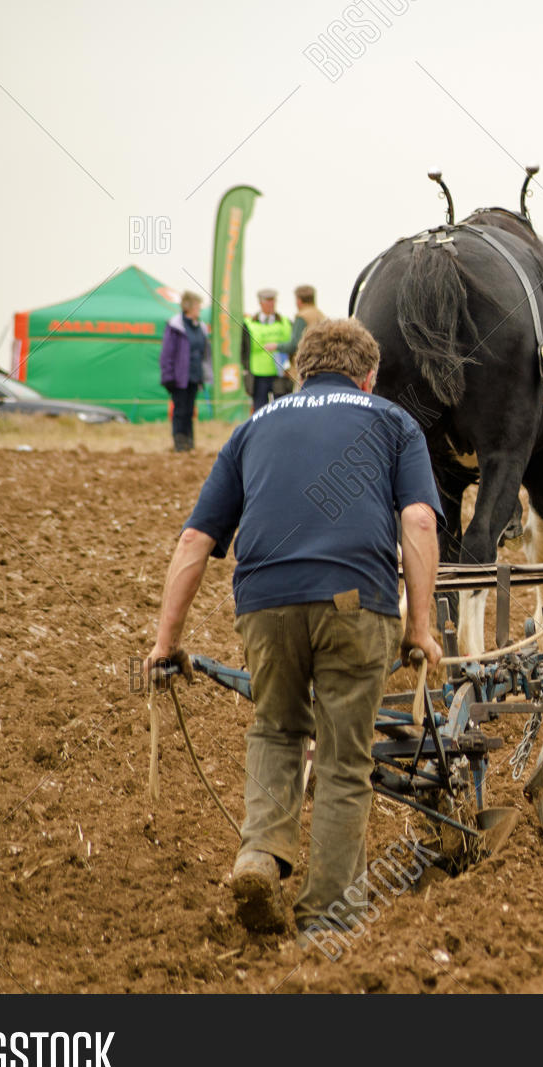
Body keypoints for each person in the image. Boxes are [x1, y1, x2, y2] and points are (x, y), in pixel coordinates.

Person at [144, 318, 444, 941]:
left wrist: (164, 643)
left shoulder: (252, 426)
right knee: (342, 761)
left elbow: (196, 539)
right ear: (369, 377)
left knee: (277, 728)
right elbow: (418, 520)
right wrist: (422, 628)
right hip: (356, 605)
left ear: (298, 372)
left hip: (264, 604)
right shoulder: (392, 421)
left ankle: (260, 855)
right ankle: (327, 918)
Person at [160, 291, 210, 451]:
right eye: (197, 306)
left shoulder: (200, 327)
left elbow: (204, 353)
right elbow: (167, 353)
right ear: (188, 307)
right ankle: (179, 443)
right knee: (180, 410)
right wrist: (168, 376)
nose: (199, 309)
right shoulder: (175, 327)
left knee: (190, 410)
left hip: (194, 376)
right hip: (179, 377)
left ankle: (190, 443)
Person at [242, 288, 292, 412]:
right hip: (258, 375)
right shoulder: (248, 323)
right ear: (260, 302)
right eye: (267, 300)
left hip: (281, 374)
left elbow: (292, 347)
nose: (271, 304)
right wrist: (247, 371)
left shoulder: (286, 322)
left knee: (282, 411)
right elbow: (243, 350)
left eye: (273, 300)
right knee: (260, 412)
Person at [279, 284, 327, 374]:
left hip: (304, 367)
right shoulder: (321, 315)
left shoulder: (302, 317)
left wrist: (276, 346)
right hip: (319, 364)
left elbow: (295, 344)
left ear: (299, 301)